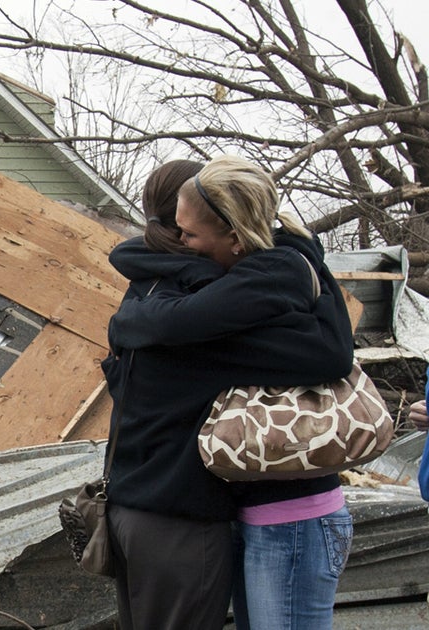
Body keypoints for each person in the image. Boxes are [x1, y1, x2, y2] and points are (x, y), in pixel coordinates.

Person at [106, 155, 356, 629]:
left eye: (193, 231)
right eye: (179, 230)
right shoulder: (227, 289)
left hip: (288, 515)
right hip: (237, 511)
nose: (184, 240)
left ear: (234, 235)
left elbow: (330, 353)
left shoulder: (170, 295)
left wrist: (126, 322)